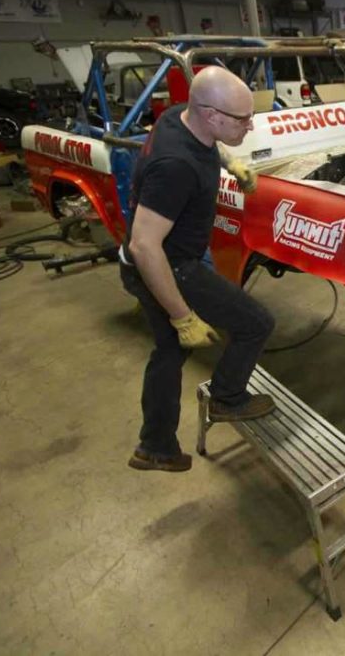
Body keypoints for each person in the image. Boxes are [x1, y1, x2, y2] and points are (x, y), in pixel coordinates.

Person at [119, 66, 275, 472]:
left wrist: (229, 163)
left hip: (171, 255)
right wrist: (181, 315)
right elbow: (144, 245)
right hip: (166, 265)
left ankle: (154, 447)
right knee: (255, 323)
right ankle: (228, 396)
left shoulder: (180, 117)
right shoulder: (175, 167)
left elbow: (205, 145)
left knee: (169, 352)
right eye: (242, 119)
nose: (250, 124)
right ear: (212, 115)